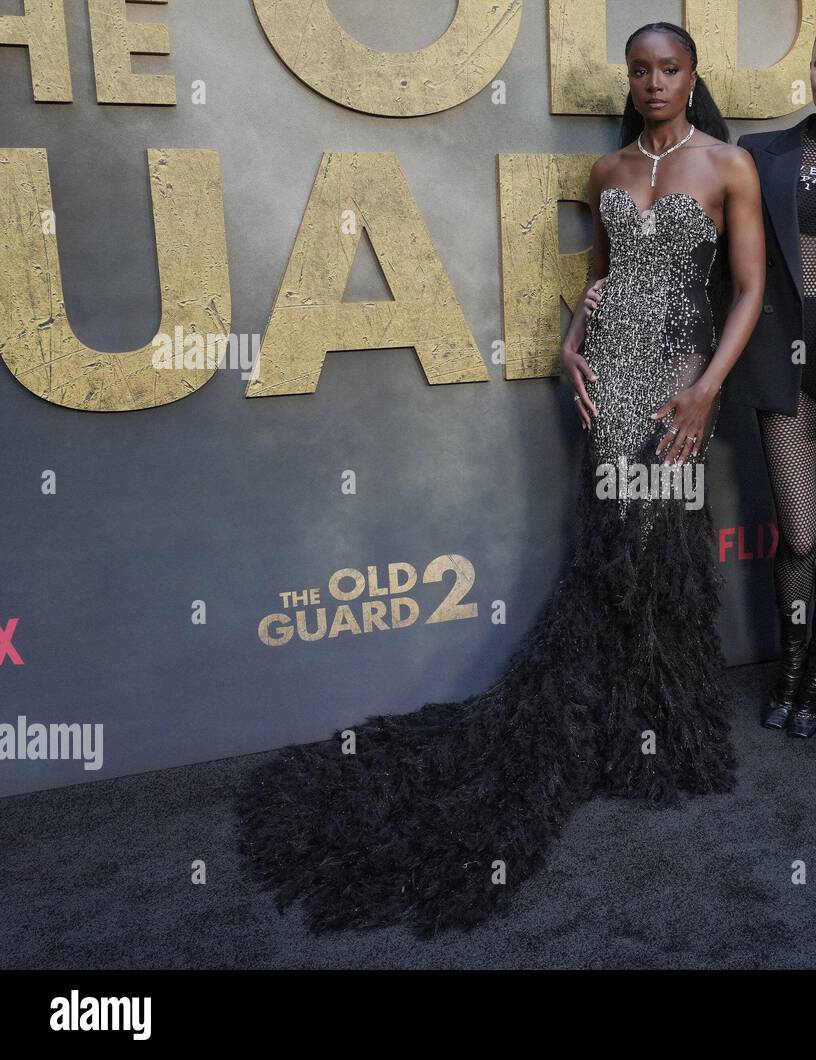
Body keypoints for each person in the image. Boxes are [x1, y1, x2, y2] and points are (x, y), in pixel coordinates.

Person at [234, 21, 764, 935]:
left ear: (691, 74)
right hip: (611, 383)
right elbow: (600, 278)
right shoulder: (606, 175)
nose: (652, 82)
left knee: (662, 556)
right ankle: (614, 729)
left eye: (667, 68)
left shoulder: (728, 166)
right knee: (612, 557)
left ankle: (661, 734)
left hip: (679, 380)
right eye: (638, 70)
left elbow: (749, 289)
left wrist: (708, 390)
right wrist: (568, 346)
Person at [586, 15, 816, 740]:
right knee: (798, 533)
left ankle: (814, 679)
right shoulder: (759, 154)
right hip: (780, 363)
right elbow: (723, 262)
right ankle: (787, 666)